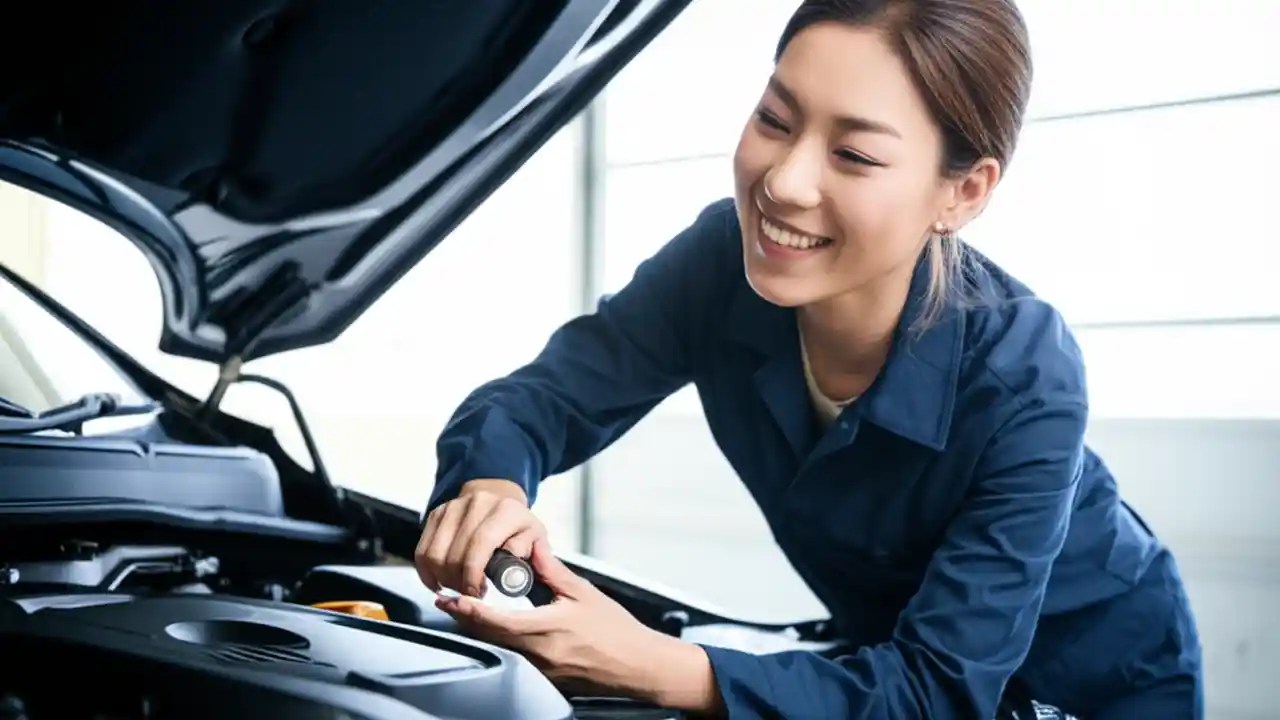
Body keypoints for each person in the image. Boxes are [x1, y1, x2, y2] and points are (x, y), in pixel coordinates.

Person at [414, 1, 1205, 717]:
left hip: (1102, 682)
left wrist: (650, 664)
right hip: (879, 672)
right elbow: (538, 403)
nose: (784, 183)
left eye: (855, 156)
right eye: (774, 118)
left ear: (961, 194)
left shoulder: (1028, 373)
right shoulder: (719, 263)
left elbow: (938, 693)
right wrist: (489, 488)